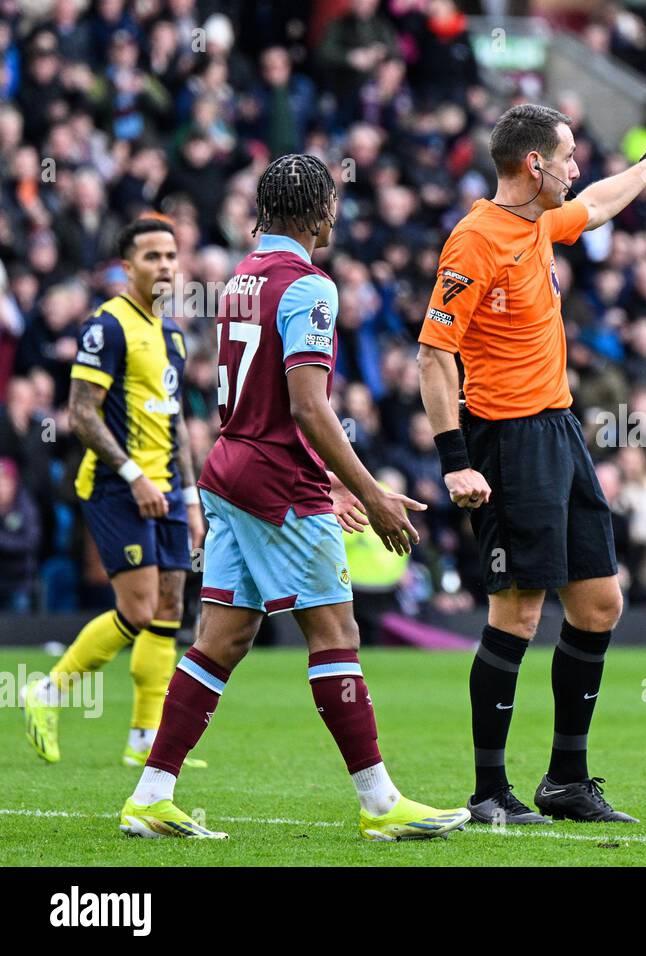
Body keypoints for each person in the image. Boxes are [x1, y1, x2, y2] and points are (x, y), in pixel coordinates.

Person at [117, 154, 469, 840]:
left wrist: (333, 479)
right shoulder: (311, 287)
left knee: (222, 636)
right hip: (277, 481)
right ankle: (380, 803)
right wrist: (369, 492)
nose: (336, 217)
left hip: (229, 470)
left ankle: (150, 795)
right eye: (331, 205)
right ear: (315, 214)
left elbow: (265, 401)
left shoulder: (241, 279)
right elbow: (308, 408)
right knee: (336, 633)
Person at [418, 95, 646, 825]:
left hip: (559, 430)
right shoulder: (475, 240)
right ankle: (487, 790)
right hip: (504, 441)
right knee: (517, 611)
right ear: (534, 165)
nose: (575, 168)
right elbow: (433, 356)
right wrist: (454, 461)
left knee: (600, 604)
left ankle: (566, 780)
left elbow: (598, 204)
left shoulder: (536, 223)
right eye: (567, 156)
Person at [21, 218, 206, 769]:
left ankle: (144, 738)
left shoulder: (173, 334)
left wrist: (190, 496)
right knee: (139, 606)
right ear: (128, 267)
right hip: (115, 485)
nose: (165, 266)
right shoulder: (107, 327)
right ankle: (46, 693)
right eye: (152, 257)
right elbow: (80, 414)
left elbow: (174, 422)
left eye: (171, 255)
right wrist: (135, 477)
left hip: (169, 489)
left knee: (171, 608)